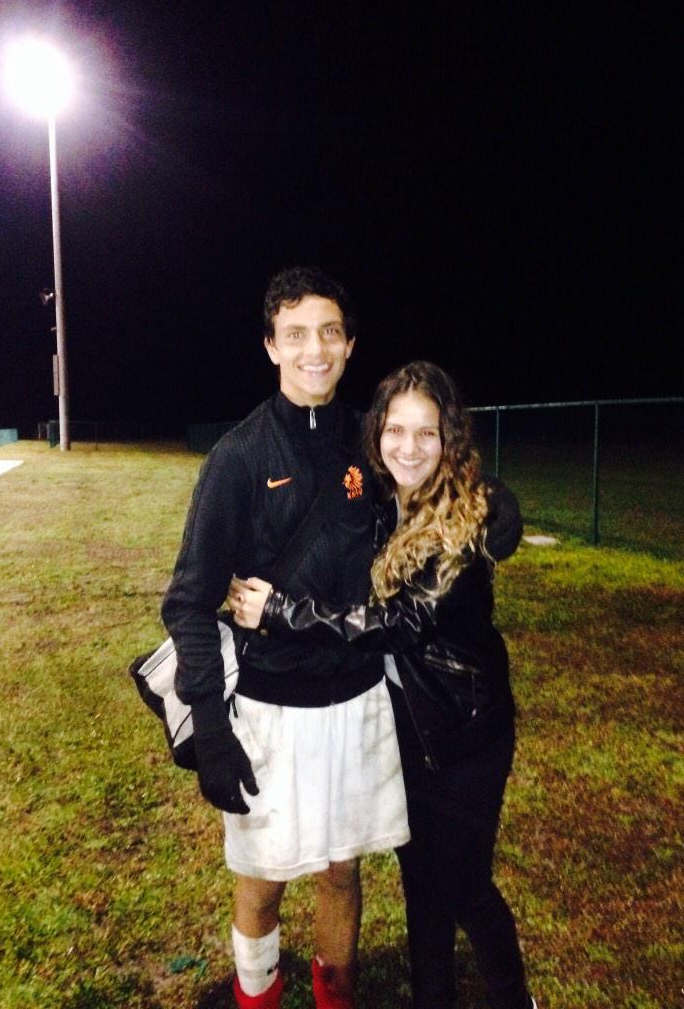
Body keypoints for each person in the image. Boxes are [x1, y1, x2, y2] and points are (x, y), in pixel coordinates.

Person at [230, 360, 537, 1009]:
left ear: (449, 439)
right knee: (421, 885)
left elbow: (398, 624)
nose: (410, 447)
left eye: (427, 433)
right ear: (377, 435)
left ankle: (515, 999)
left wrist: (281, 612)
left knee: (464, 886)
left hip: (464, 733)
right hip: (404, 729)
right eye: (396, 430)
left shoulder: (461, 522)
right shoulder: (382, 499)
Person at [161, 267, 409, 1009]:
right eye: (295, 334)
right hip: (270, 709)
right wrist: (211, 730)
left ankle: (336, 996)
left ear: (350, 344)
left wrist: (498, 510)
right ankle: (256, 995)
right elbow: (189, 602)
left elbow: (442, 482)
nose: (314, 350)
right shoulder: (238, 457)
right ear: (271, 346)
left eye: (329, 333)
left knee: (341, 871)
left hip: (358, 698)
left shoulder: (374, 441)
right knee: (263, 880)